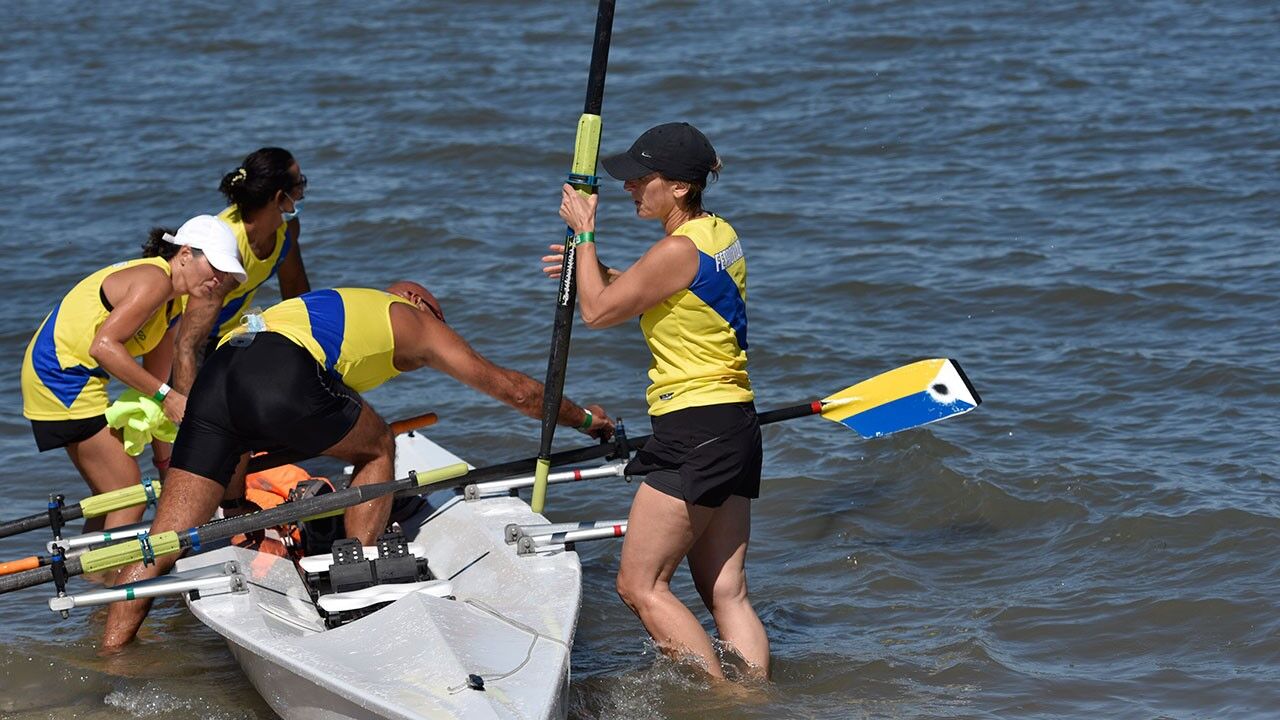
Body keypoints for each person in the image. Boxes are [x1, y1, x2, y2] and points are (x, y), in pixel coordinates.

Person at [102, 282, 614, 648]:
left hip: (223, 370)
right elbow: (515, 390)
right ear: (417, 302)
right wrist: (585, 418)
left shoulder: (337, 307)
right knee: (376, 448)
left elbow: (286, 404)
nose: (438, 335)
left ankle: (112, 652)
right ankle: (360, 576)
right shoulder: (411, 318)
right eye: (439, 317)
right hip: (278, 368)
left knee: (164, 540)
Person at [544, 122, 768, 679]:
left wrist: (585, 234)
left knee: (640, 586)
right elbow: (685, 288)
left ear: (679, 189)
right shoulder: (720, 233)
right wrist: (616, 276)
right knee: (728, 594)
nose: (629, 188)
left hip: (692, 429)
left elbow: (596, 313)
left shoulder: (674, 249)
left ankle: (720, 706)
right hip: (737, 424)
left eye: (642, 179)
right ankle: (754, 701)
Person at [20, 216, 247, 532]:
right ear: (184, 254)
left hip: (71, 378)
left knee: (111, 494)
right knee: (129, 495)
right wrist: (167, 396)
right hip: (59, 379)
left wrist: (167, 467)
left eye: (225, 273)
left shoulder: (172, 305)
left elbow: (152, 397)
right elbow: (103, 347)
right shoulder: (154, 280)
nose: (218, 279)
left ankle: (91, 577)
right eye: (215, 267)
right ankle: (115, 580)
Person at [169, 147, 311, 418]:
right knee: (199, 420)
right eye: (300, 183)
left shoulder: (286, 227)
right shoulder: (227, 251)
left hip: (226, 328)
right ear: (280, 197)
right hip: (181, 332)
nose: (303, 191)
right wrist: (191, 426)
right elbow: (187, 345)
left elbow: (295, 291)